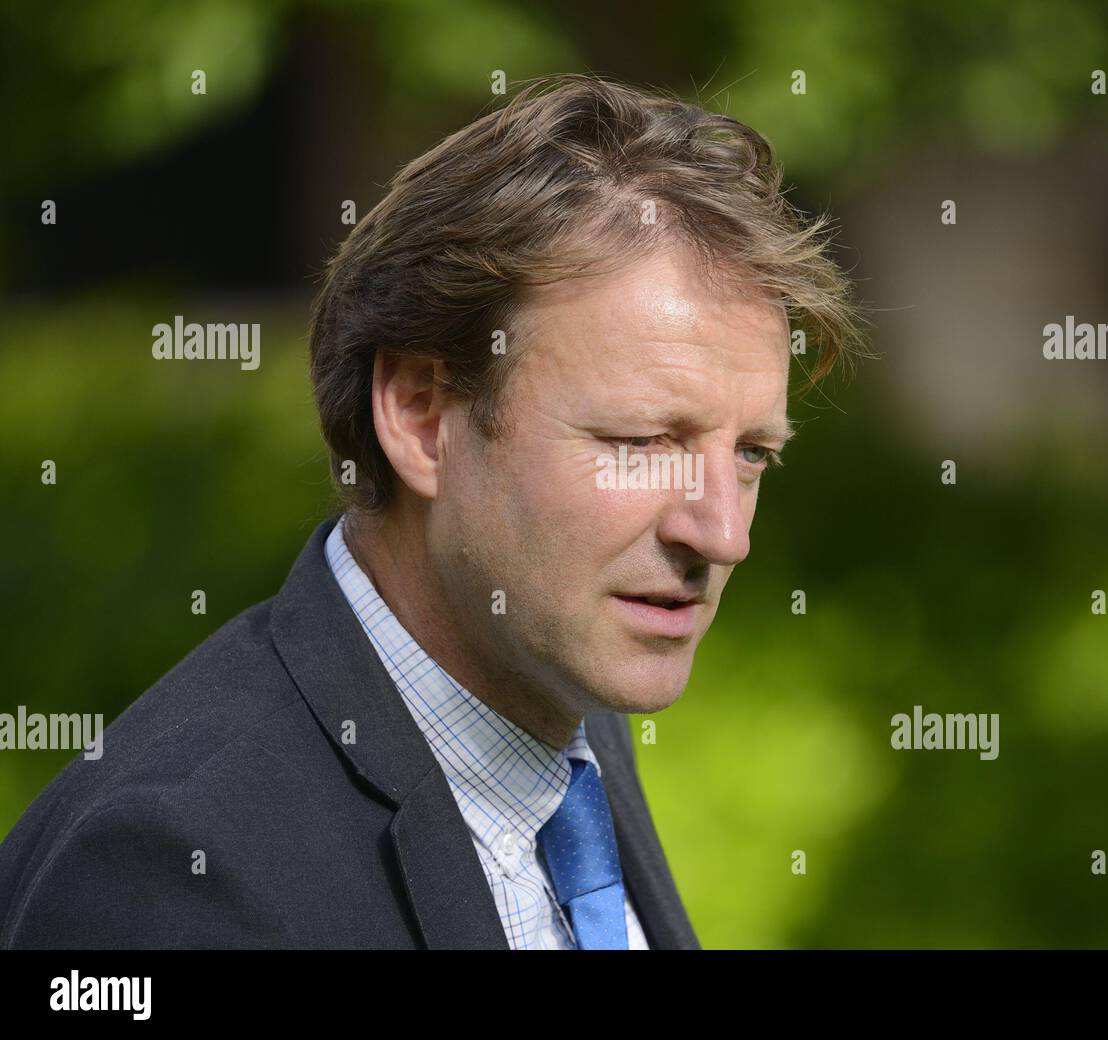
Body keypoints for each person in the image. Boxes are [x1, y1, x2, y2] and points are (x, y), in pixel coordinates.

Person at [0, 73, 861, 949]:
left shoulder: (561, 699)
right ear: (419, 416)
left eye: (751, 453)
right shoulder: (173, 876)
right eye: (641, 441)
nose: (724, 534)